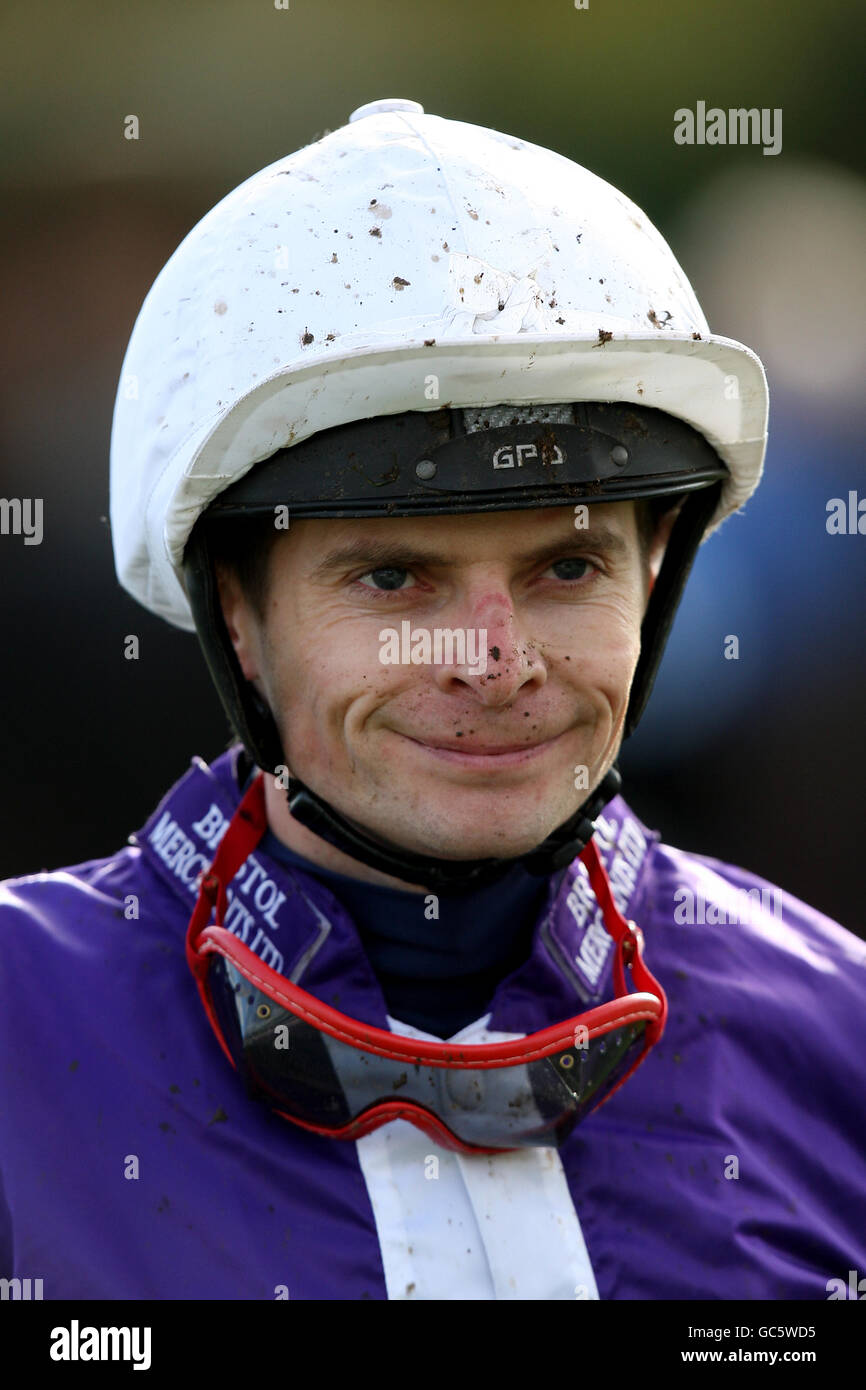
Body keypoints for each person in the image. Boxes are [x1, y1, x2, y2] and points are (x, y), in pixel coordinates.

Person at [1, 97, 864, 1303]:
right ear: (236, 614)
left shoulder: (839, 1033)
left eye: (565, 568)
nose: (493, 659)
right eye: (395, 576)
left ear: (652, 579)